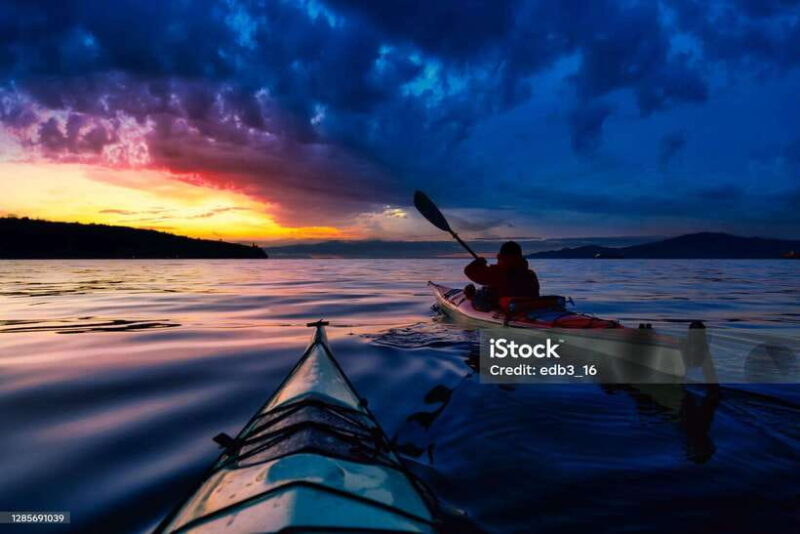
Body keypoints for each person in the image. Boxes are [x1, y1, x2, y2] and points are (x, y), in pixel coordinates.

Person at [464, 241, 540, 311]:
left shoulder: (498, 272)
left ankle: (471, 296)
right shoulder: (531, 274)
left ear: (501, 256)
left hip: (506, 306)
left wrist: (478, 262)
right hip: (528, 304)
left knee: (482, 295)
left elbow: (469, 271)